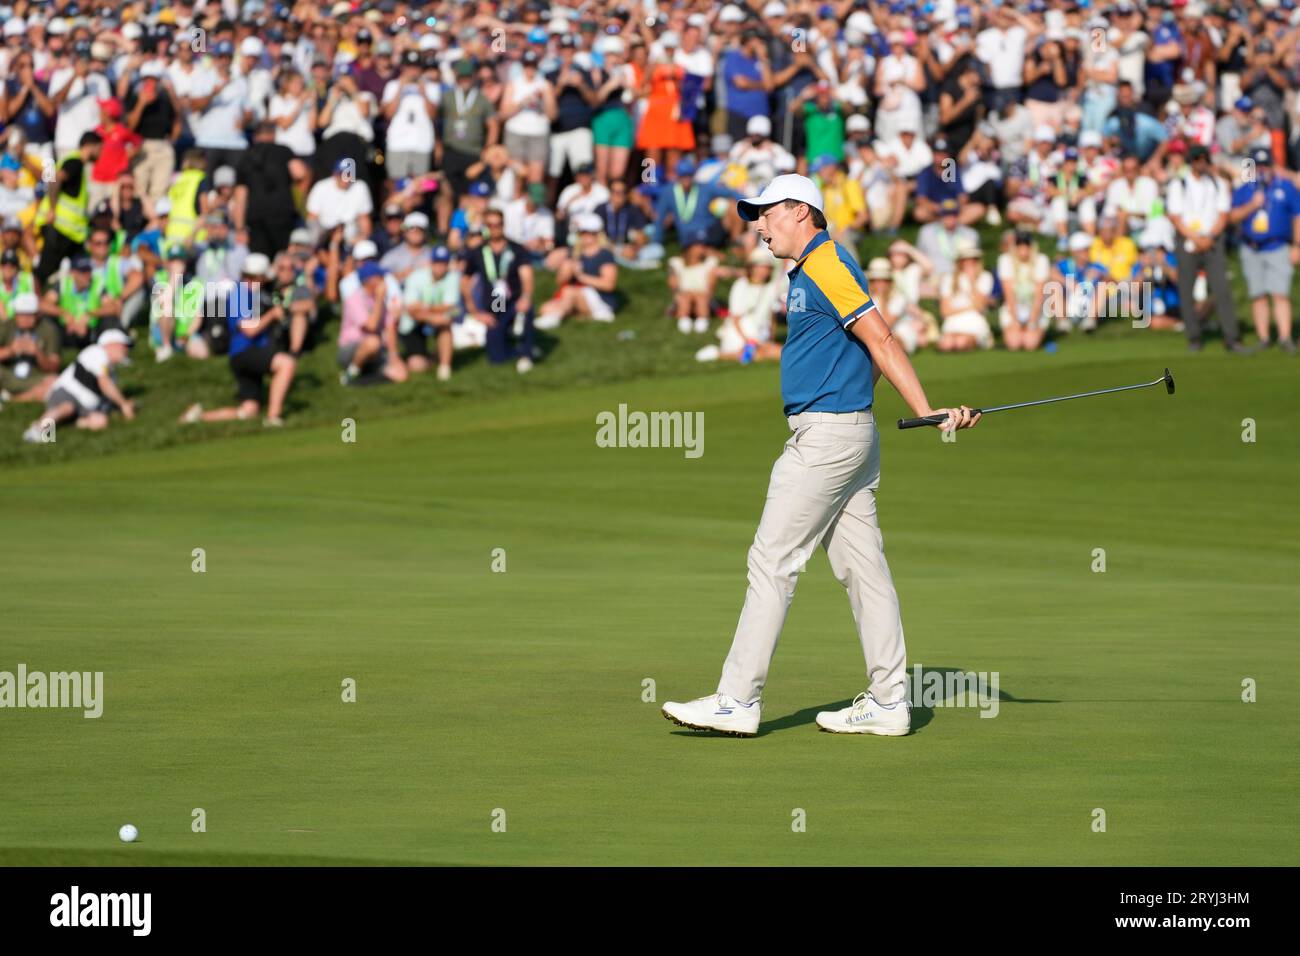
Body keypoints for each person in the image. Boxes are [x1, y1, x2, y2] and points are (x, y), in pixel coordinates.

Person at [662, 174, 980, 738]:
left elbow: (881, 338)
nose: (758, 226)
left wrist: (927, 408)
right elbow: (863, 352)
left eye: (767, 213)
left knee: (772, 560)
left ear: (802, 211)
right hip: (849, 433)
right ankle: (888, 702)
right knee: (865, 569)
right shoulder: (810, 270)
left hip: (827, 439)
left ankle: (737, 700)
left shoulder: (828, 262)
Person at [179, 253, 297, 427]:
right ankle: (274, 416)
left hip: (247, 352)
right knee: (286, 363)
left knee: (249, 410)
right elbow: (249, 330)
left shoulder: (255, 292)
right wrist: (272, 315)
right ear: (256, 276)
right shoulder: (240, 292)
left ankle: (198, 417)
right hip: (244, 351)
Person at [1166, 144, 1248, 353]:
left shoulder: (1217, 183)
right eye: (1197, 160)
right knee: (1186, 290)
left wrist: (1209, 237)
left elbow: (1223, 214)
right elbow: (1175, 217)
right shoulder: (1179, 184)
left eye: (1204, 160)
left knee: (1221, 289)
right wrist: (1195, 237)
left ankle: (1232, 337)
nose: (1201, 164)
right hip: (1187, 240)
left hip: (1212, 239)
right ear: (1191, 162)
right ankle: (1194, 336)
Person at [1229, 148, 1300, 352]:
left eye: (1265, 165)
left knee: (1280, 293)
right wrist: (1252, 205)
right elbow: (1233, 217)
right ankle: (1264, 338)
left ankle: (1285, 337)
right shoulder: (1246, 189)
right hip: (1251, 247)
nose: (1262, 170)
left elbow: (1297, 216)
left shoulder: (1284, 187)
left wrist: (1297, 245)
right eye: (1258, 166)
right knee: (1257, 294)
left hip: (1278, 245)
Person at [460, 207, 537, 373]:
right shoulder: (478, 252)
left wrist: (526, 297)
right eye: (491, 225)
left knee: (527, 311)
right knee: (496, 357)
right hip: (495, 303)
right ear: (486, 227)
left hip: (514, 300)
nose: (495, 228)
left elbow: (527, 276)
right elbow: (464, 281)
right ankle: (514, 350)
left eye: (498, 224)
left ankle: (526, 353)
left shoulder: (516, 249)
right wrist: (475, 311)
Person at [22, 328, 134, 443]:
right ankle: (42, 433)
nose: (126, 350)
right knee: (67, 407)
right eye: (123, 345)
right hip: (65, 394)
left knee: (100, 421)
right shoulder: (97, 352)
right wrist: (123, 404)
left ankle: (65, 424)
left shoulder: (111, 372)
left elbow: (108, 395)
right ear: (111, 344)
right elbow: (104, 382)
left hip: (83, 408)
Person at [535, 213, 618, 331]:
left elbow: (609, 285)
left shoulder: (604, 254)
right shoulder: (575, 253)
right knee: (545, 308)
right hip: (577, 295)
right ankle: (561, 315)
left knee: (569, 292)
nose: (581, 236)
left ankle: (554, 319)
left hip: (601, 300)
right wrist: (567, 268)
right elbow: (559, 280)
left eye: (582, 232)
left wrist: (580, 276)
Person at [338, 261, 408, 386]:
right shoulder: (354, 299)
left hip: (377, 349)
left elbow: (389, 328)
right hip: (352, 348)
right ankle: (351, 373)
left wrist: (394, 356)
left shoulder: (380, 300)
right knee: (372, 342)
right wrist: (380, 299)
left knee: (401, 374)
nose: (384, 281)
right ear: (369, 280)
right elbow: (371, 326)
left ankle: (360, 381)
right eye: (380, 278)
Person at [401, 244, 460, 382]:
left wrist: (425, 308)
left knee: (445, 324)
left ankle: (444, 367)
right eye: (437, 263)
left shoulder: (452, 277)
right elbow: (411, 309)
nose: (440, 267)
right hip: (413, 323)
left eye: (443, 263)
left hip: (432, 318)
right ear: (431, 263)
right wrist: (433, 314)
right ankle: (430, 359)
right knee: (417, 365)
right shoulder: (416, 277)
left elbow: (450, 306)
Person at [0, 291, 60, 405]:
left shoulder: (49, 329)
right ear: (16, 314)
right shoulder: (7, 326)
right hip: (8, 374)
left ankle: (12, 401)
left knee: (55, 383)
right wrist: (11, 351)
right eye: (22, 314)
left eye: (30, 314)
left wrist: (37, 353)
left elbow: (54, 367)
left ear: (37, 314)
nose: (25, 318)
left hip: (35, 377)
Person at [937, 240, 995, 352]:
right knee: (946, 344)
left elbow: (980, 306)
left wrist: (972, 281)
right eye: (965, 259)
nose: (969, 262)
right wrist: (969, 308)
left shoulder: (985, 277)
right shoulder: (948, 279)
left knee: (961, 343)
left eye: (973, 259)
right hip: (952, 323)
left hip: (974, 322)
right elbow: (945, 311)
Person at [997, 231, 1051, 351]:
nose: (1023, 247)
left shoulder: (1041, 260)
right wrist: (1015, 321)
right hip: (1014, 308)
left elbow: (1039, 296)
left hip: (1036, 309)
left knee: (1030, 343)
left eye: (1026, 244)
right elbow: (1009, 295)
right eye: (1020, 244)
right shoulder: (1005, 260)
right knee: (1014, 343)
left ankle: (1035, 332)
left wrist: (1031, 323)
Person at [664, 231, 720, 334]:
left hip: (704, 296)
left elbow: (711, 285)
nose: (702, 248)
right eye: (698, 245)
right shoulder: (675, 262)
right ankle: (684, 322)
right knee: (685, 297)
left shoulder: (710, 262)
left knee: (701, 298)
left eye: (704, 245)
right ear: (689, 246)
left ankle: (702, 322)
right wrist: (680, 294)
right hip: (683, 296)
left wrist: (701, 294)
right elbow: (673, 284)